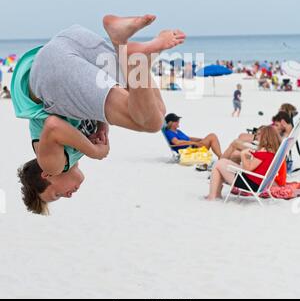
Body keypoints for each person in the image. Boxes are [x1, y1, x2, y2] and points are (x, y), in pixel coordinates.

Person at [12, 15, 186, 215]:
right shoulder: (72, 149)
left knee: (151, 122)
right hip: (69, 43)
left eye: (56, 195)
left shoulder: (52, 164)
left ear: (46, 176)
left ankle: (136, 58)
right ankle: (120, 40)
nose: (68, 195)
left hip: (50, 77)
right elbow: (77, 111)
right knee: (154, 112)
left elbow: (53, 126)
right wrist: (101, 123)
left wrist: (94, 152)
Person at [206, 126, 282, 200]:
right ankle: (216, 194)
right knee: (222, 163)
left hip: (250, 184)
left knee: (218, 164)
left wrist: (243, 154)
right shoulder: (271, 152)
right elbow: (255, 166)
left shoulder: (263, 152)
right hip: (257, 182)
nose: (257, 137)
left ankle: (212, 196)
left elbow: (247, 168)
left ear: (265, 137)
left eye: (259, 134)